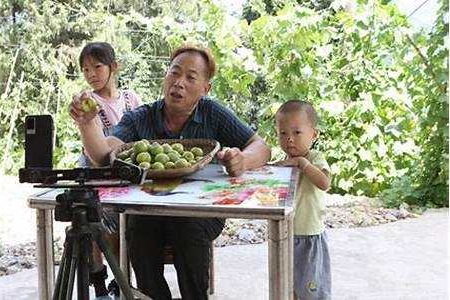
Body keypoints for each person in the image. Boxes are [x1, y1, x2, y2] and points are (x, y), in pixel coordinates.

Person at [69, 44, 271, 300]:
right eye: (174, 73)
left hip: (201, 214)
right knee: (138, 229)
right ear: (165, 76)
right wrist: (88, 125)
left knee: (187, 227)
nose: (179, 82)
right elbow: (105, 155)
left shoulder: (212, 113)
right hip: (149, 213)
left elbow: (261, 147)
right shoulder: (141, 117)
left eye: (190, 77)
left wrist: (243, 159)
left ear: (205, 89)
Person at [75, 42, 142, 300]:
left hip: (125, 172)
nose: (91, 74)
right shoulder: (89, 101)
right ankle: (99, 283)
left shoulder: (131, 99)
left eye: (97, 66)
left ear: (114, 67)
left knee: (119, 230)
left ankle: (121, 281)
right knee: (97, 227)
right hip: (96, 172)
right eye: (85, 70)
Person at [272, 100, 332, 300]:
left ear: (313, 135)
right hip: (286, 235)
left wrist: (302, 164)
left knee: (310, 290)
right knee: (290, 287)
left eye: (297, 133)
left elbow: (324, 182)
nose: (289, 139)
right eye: (283, 133)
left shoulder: (315, 158)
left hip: (308, 236)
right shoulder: (284, 162)